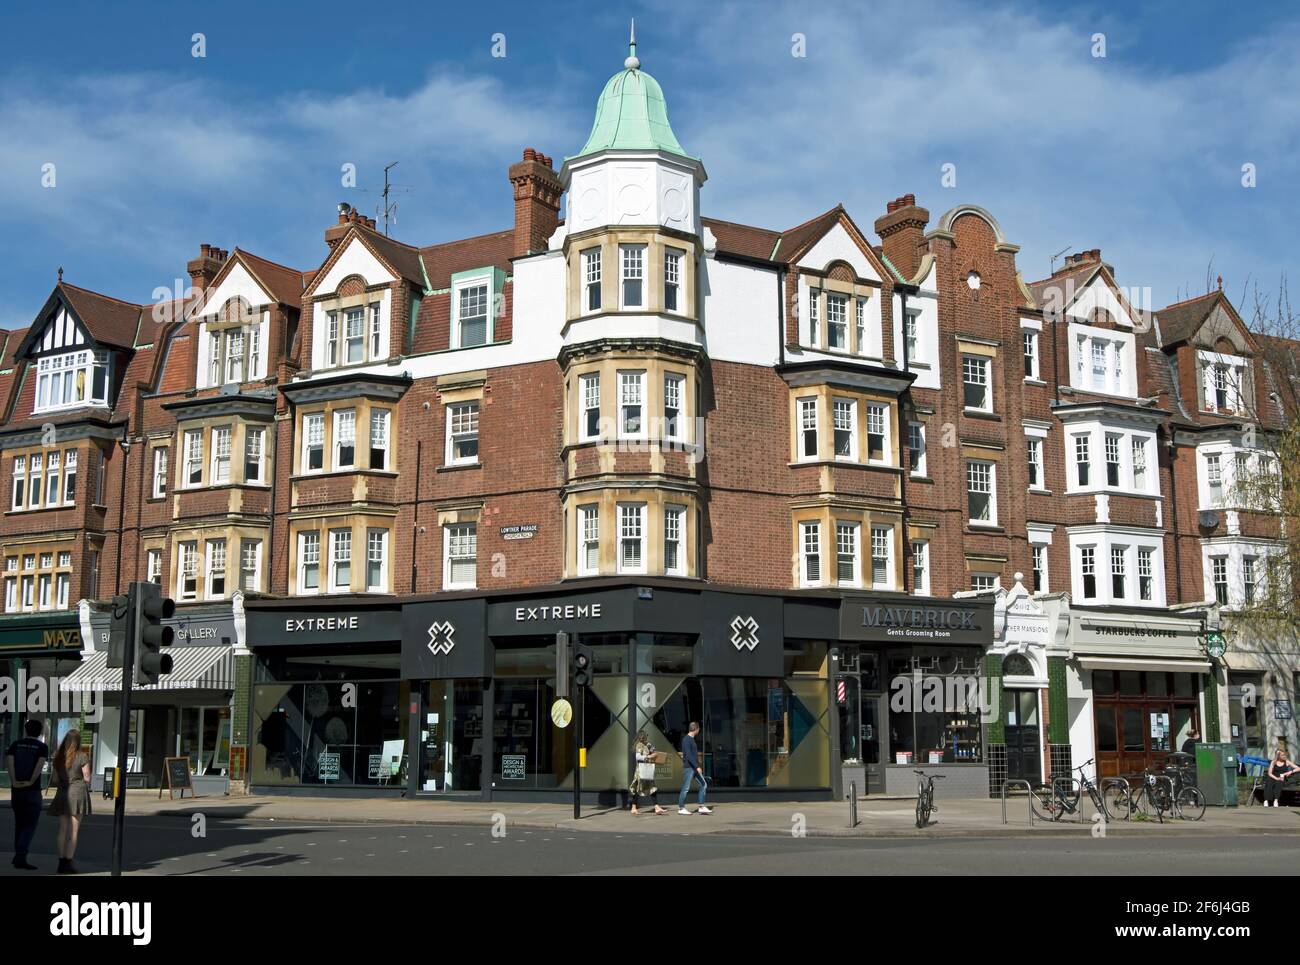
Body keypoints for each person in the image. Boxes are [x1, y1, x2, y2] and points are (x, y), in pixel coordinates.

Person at [5, 720, 48, 870]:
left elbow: (9, 763)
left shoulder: (15, 745)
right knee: (29, 825)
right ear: (40, 732)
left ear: (25, 731)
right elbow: (40, 765)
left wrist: (14, 781)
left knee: (19, 823)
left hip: (16, 790)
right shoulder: (42, 747)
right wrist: (30, 781)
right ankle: (21, 856)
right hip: (32, 790)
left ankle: (18, 854)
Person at [48, 730, 91, 874]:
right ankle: (68, 863)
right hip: (77, 793)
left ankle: (60, 863)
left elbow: (54, 779)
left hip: (62, 793)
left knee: (62, 830)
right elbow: (87, 778)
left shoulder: (58, 756)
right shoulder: (82, 756)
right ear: (78, 741)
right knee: (74, 831)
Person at [676, 721, 711, 815]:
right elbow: (688, 755)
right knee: (686, 788)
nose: (699, 731)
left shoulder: (691, 739)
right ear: (695, 729)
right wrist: (697, 767)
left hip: (693, 767)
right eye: (698, 729)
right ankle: (681, 808)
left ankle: (701, 806)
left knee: (703, 784)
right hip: (689, 768)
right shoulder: (687, 739)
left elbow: (692, 755)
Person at [630, 731, 666, 815]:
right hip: (641, 769)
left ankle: (656, 807)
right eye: (645, 736)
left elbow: (654, 751)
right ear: (641, 737)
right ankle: (633, 807)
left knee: (652, 786)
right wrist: (649, 756)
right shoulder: (639, 745)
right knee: (638, 788)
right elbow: (638, 757)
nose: (646, 737)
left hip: (647, 767)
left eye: (646, 736)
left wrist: (654, 752)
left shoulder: (648, 744)